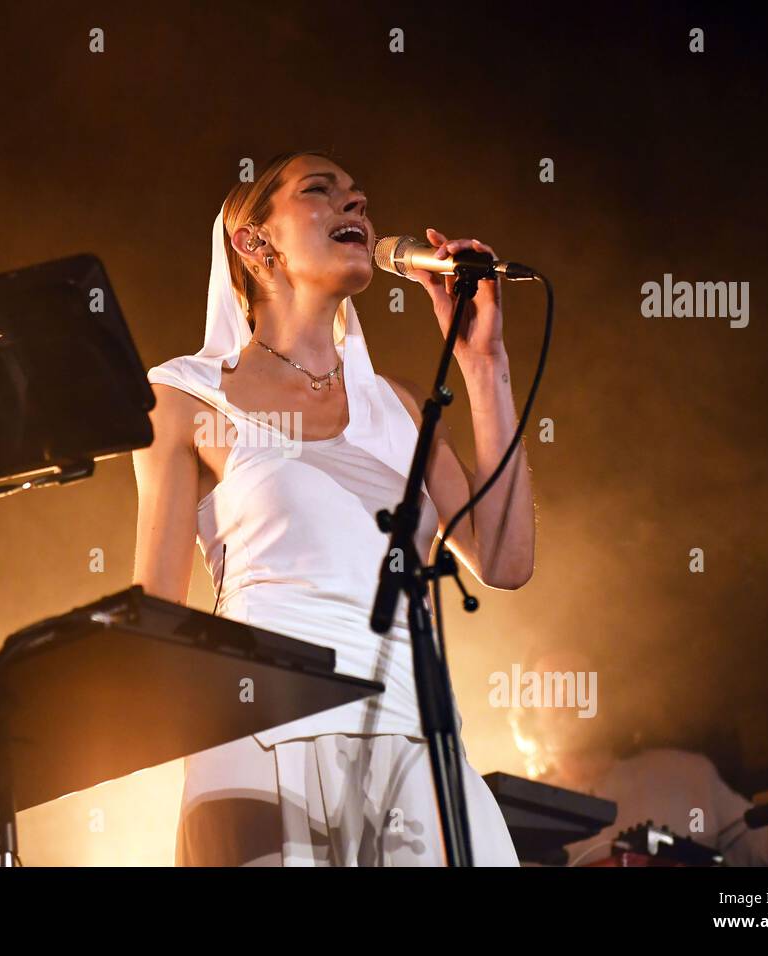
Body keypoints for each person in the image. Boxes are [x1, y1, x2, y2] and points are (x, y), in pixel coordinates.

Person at [132, 150, 535, 865]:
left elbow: (504, 560)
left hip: (416, 740)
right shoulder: (186, 396)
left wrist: (483, 364)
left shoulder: (401, 406)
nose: (357, 205)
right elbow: (154, 621)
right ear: (254, 243)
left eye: (359, 196)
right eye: (322, 192)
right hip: (261, 736)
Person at [516, 648, 768, 866]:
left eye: (579, 682)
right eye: (550, 688)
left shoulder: (682, 773)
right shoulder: (524, 810)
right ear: (530, 713)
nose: (566, 699)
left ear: (605, 699)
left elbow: (756, 842)